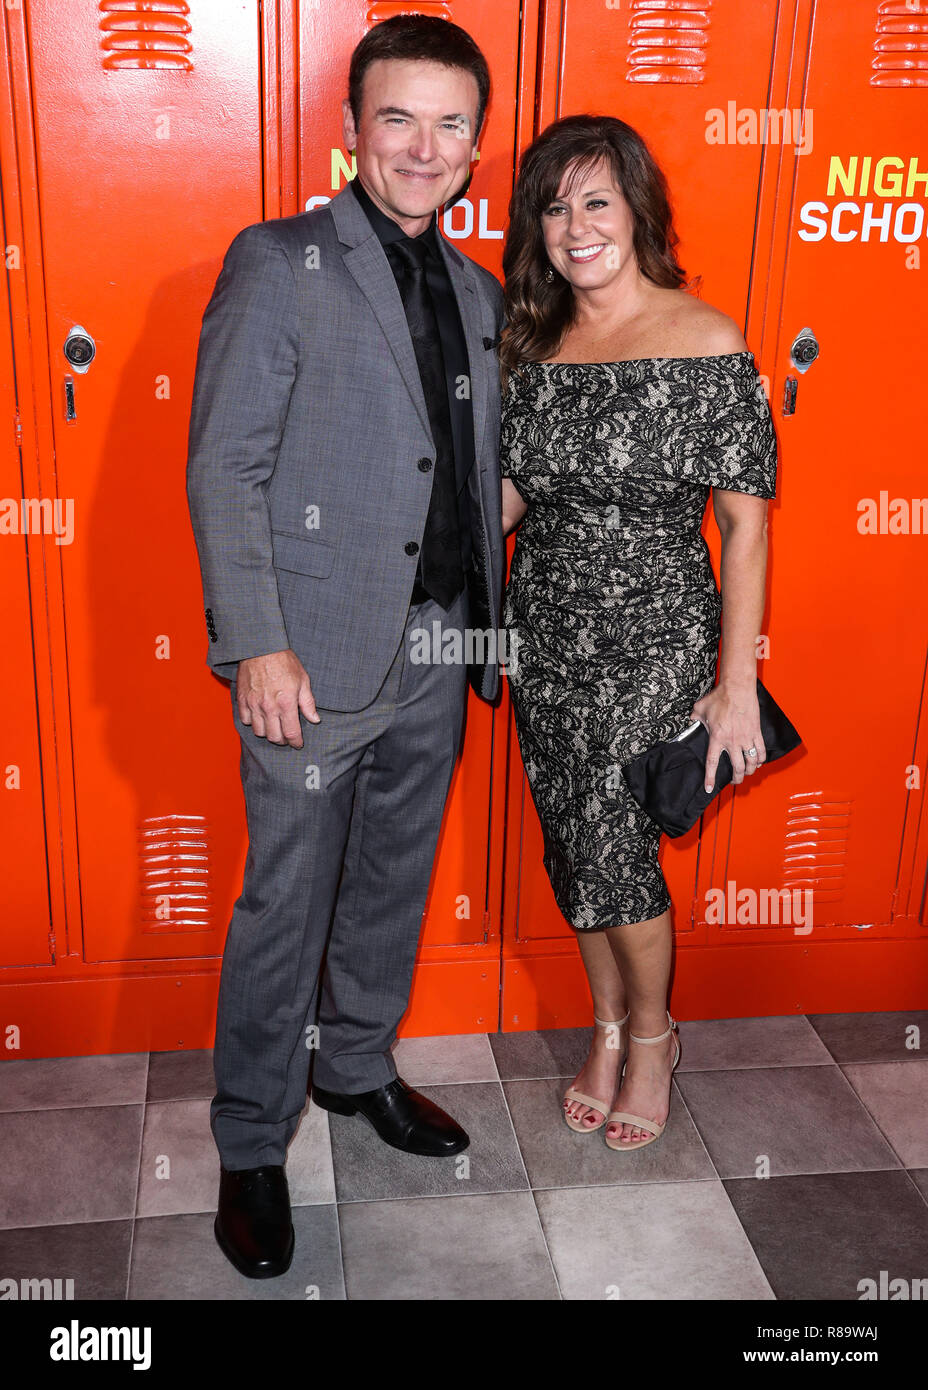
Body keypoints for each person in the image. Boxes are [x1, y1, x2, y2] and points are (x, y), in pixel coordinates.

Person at [185, 15, 505, 1278]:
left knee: (389, 880)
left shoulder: (478, 293)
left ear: (475, 148)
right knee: (286, 901)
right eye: (397, 118)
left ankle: (356, 1066)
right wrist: (255, 644)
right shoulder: (280, 260)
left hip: (435, 645)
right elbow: (225, 466)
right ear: (351, 132)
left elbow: (466, 472)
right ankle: (250, 1141)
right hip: (311, 660)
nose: (423, 147)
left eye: (449, 125)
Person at [498, 115, 778, 1152]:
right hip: (545, 640)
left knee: (619, 857)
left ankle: (652, 1037)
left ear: (636, 211)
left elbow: (743, 523)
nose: (576, 225)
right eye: (555, 205)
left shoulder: (707, 341)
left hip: (657, 639)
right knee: (577, 847)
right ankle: (606, 1028)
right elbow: (514, 494)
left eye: (596, 200)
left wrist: (735, 680)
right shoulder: (536, 344)